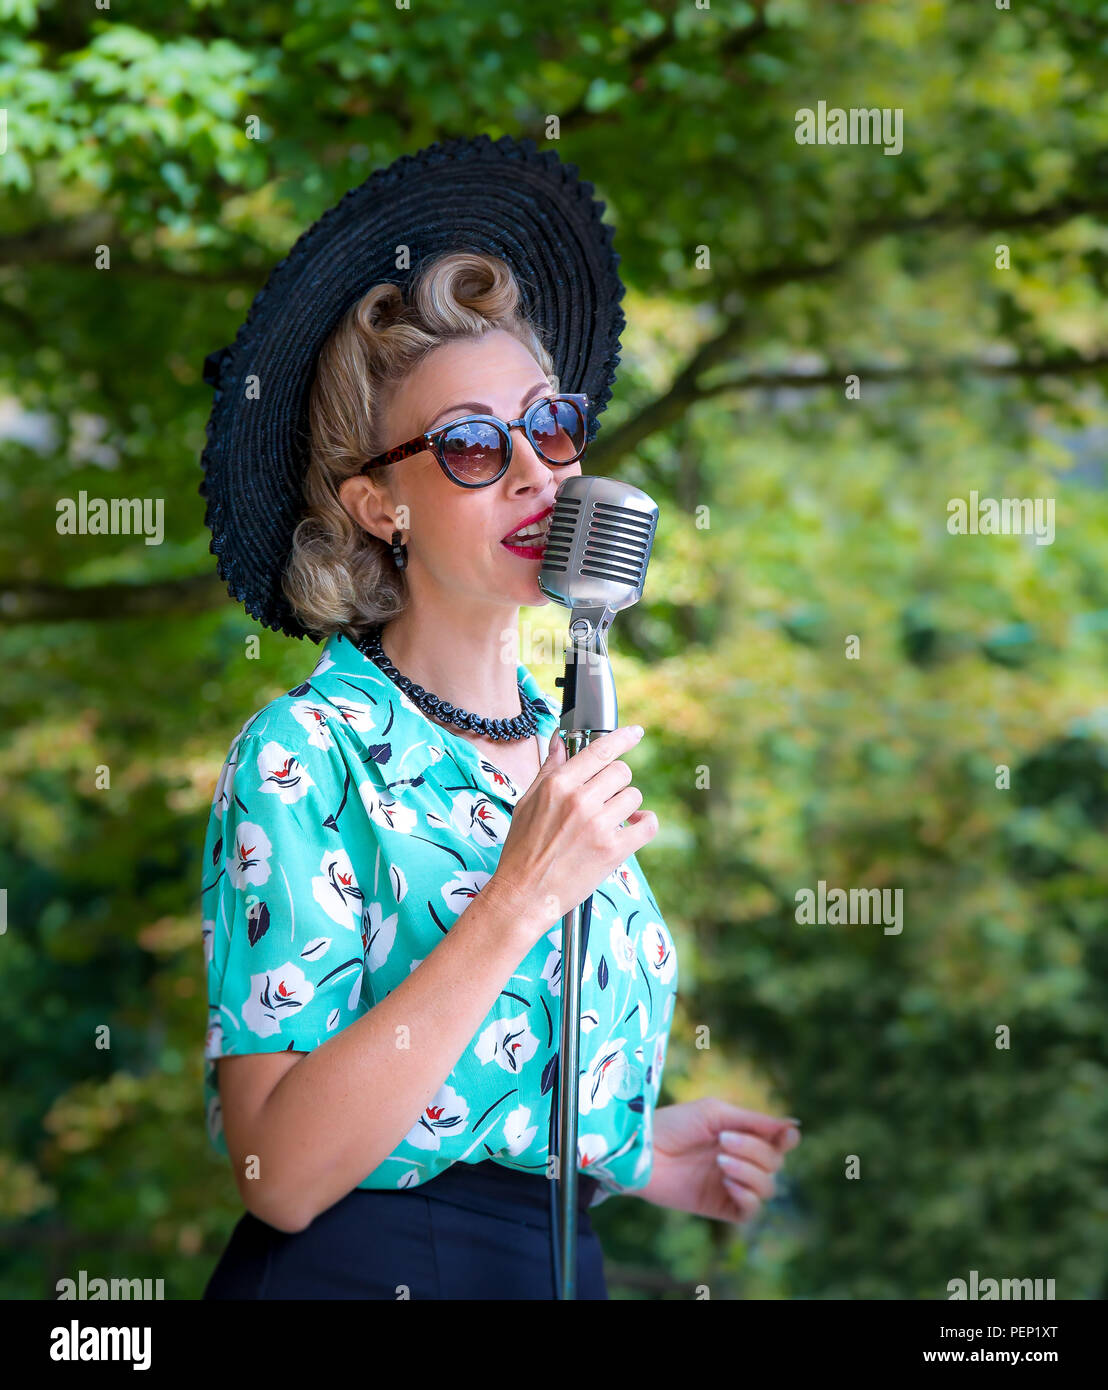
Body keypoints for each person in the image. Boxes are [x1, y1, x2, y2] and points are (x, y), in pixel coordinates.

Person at [197, 136, 800, 1300]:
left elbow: (465, 1087)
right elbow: (279, 1168)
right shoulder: (305, 753)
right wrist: (520, 892)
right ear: (378, 504)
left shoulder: (567, 742)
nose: (535, 469)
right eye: (473, 443)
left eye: (551, 424)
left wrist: (628, 1148)